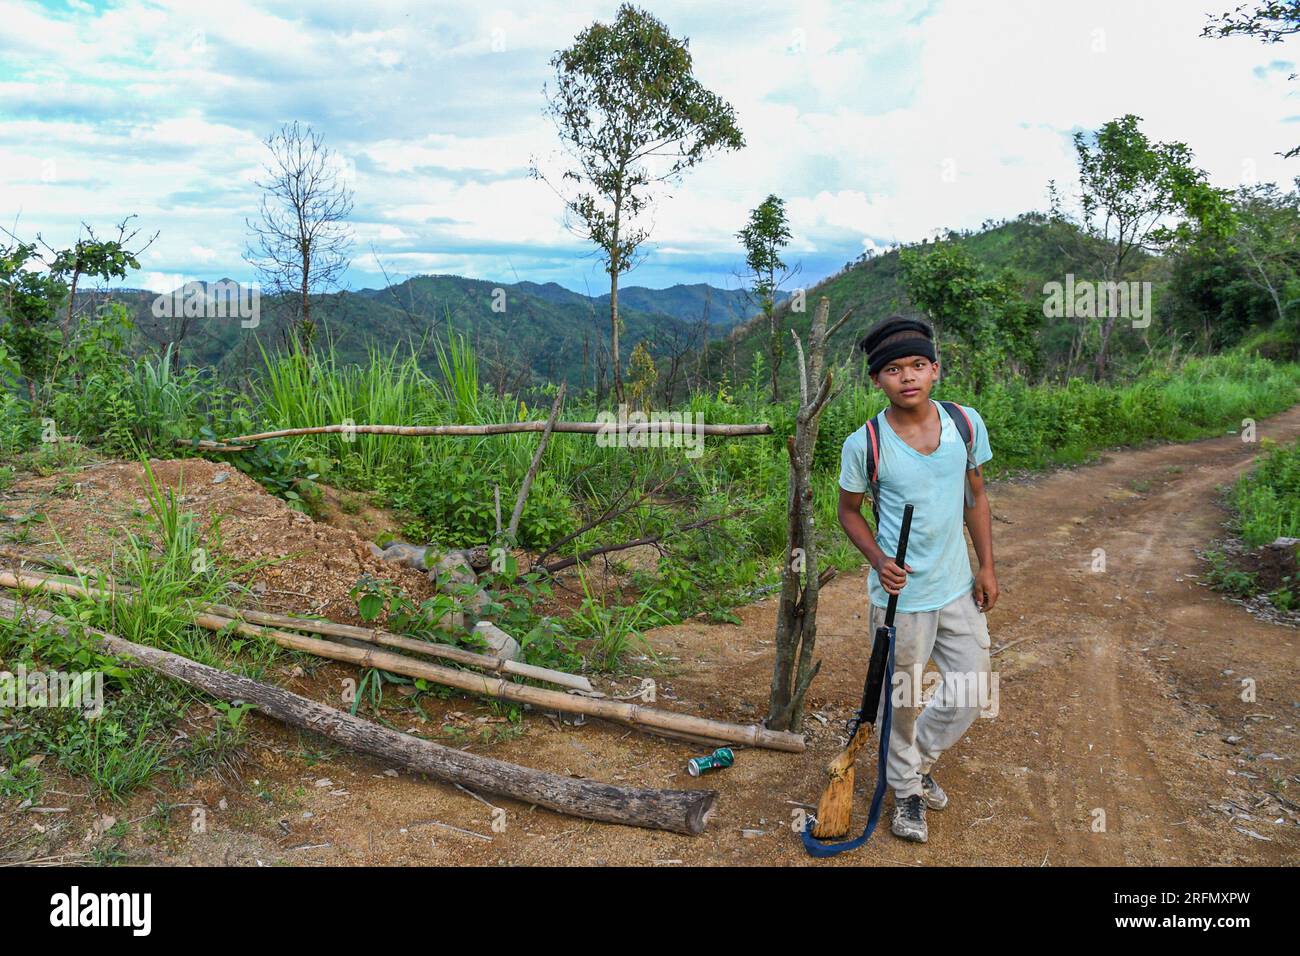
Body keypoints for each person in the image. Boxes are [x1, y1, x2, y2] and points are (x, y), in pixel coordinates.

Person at [836, 314, 998, 844]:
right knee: (900, 701)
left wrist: (986, 565)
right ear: (877, 380)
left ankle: (914, 763)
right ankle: (904, 788)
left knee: (972, 686)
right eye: (893, 369)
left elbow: (975, 496)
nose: (907, 376)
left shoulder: (964, 423)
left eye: (917, 365)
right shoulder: (866, 444)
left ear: (935, 370)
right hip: (900, 600)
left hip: (955, 588)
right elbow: (850, 512)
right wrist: (879, 559)